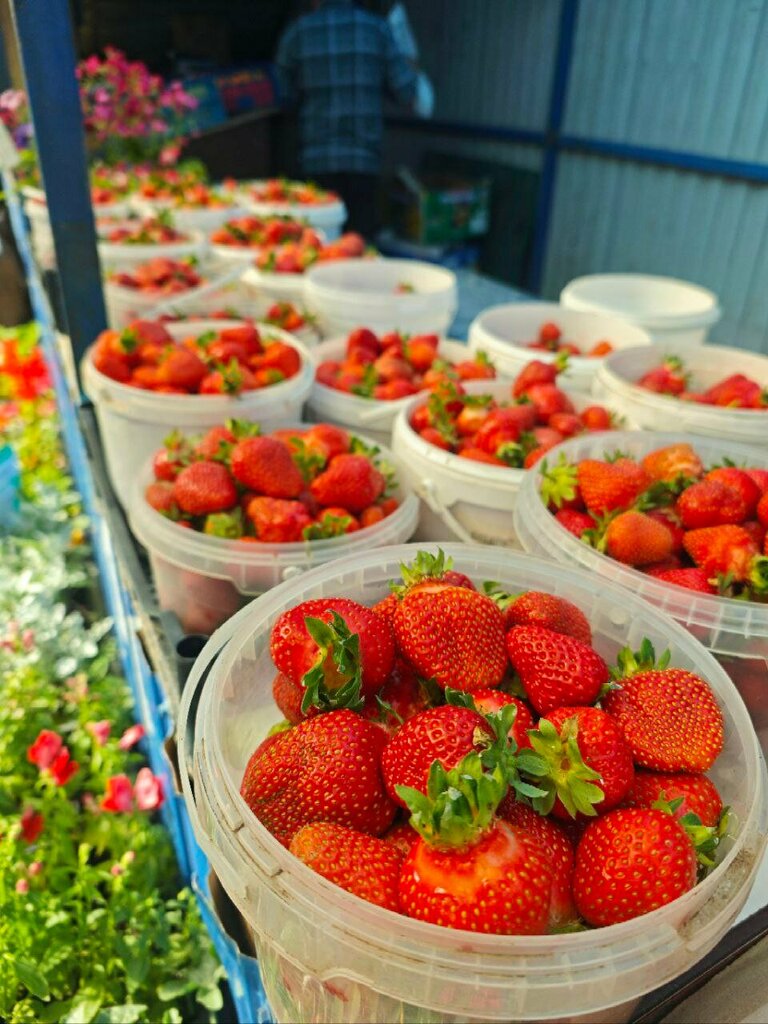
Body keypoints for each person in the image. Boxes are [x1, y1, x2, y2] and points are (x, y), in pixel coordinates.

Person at [275, 0, 423, 239]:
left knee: (315, 248)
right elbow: (408, 92)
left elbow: (280, 96)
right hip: (363, 163)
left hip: (315, 162)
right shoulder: (377, 29)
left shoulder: (298, 33)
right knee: (360, 252)